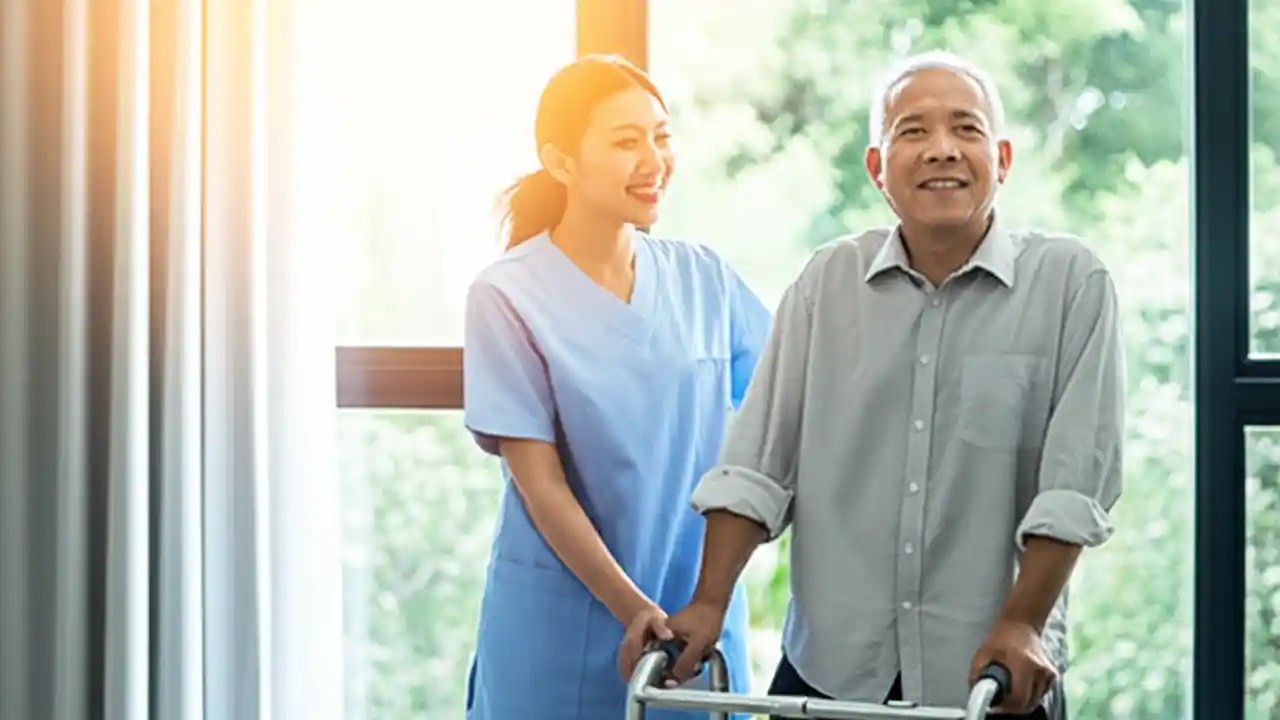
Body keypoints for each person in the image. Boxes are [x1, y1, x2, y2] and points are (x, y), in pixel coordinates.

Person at [619, 50, 1125, 720]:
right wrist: (708, 600)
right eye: (912, 131)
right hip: (829, 674)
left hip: (991, 680)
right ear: (876, 168)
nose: (942, 149)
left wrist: (1025, 622)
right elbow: (755, 468)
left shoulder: (1070, 285)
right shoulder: (826, 284)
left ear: (1001, 160)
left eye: (965, 130)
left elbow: (1072, 489)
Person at [460, 54, 771, 720]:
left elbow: (783, 414)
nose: (654, 159)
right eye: (626, 142)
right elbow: (540, 485)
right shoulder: (508, 295)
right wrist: (633, 610)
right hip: (560, 627)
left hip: (694, 623)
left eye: (661, 136)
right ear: (561, 161)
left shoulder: (706, 280)